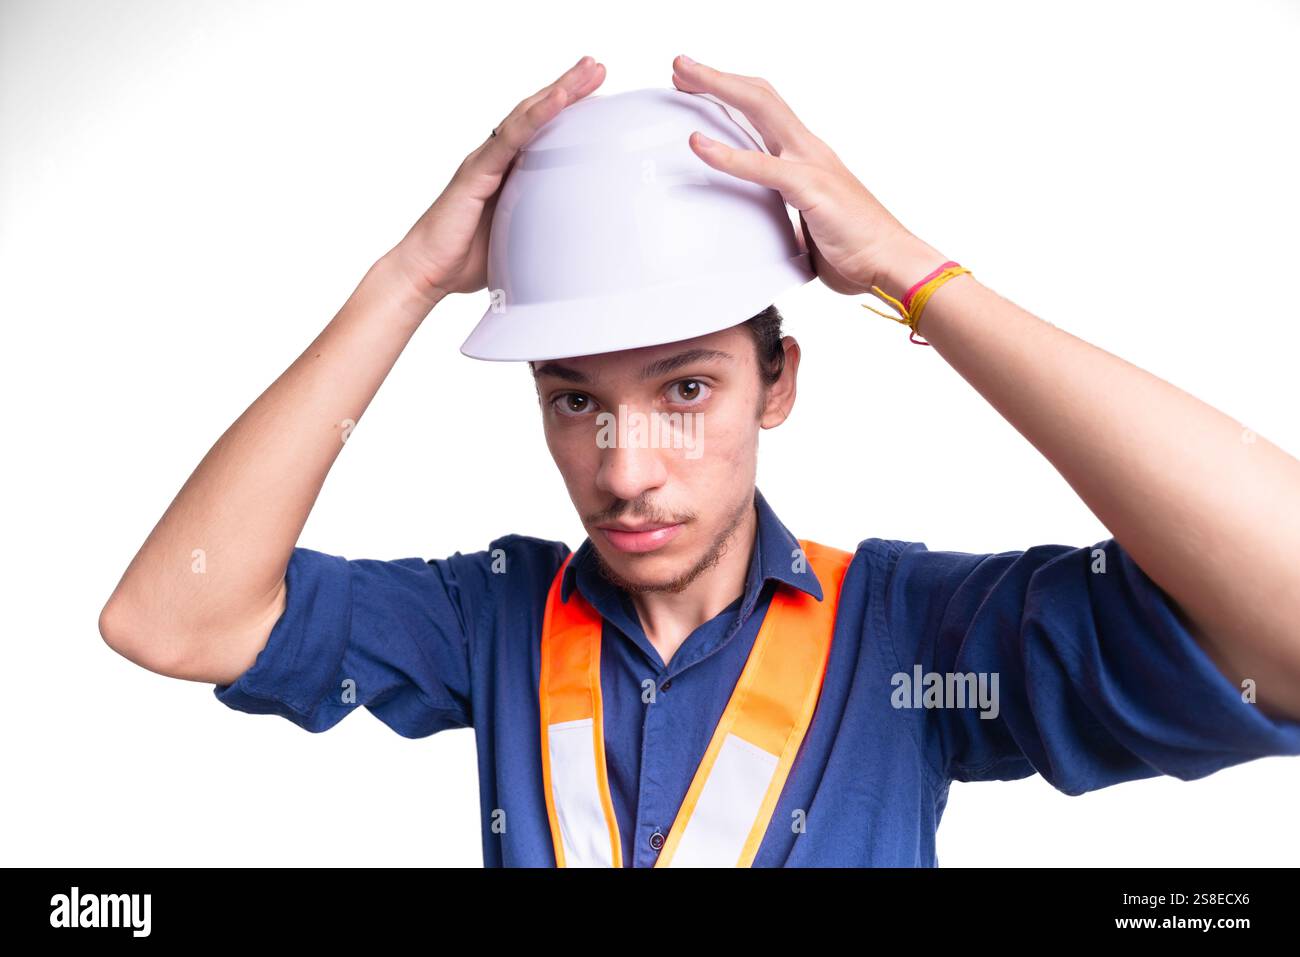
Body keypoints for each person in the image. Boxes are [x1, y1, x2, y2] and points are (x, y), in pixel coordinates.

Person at [98, 54, 1300, 867]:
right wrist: (404, 280)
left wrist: (912, 275)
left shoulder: (912, 641)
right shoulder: (492, 621)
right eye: (575, 400)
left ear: (778, 384)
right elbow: (173, 619)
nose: (624, 470)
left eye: (685, 387)